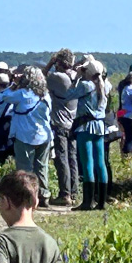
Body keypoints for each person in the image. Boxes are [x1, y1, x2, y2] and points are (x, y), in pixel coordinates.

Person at [0, 66, 54, 208]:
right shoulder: (46, 95)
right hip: (44, 135)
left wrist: (14, 83)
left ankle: (26, 196)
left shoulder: (22, 93)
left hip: (25, 135)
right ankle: (43, 195)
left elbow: (4, 96)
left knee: (24, 169)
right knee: (42, 167)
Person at [66, 58, 110, 211]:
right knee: (101, 163)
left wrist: (77, 77)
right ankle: (102, 202)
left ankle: (87, 202)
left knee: (87, 164)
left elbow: (68, 95)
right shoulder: (106, 85)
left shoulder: (85, 85)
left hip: (85, 127)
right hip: (100, 126)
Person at [44, 49, 80, 207]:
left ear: (59, 63)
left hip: (60, 123)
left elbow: (40, 78)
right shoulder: (76, 77)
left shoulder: (58, 77)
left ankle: (64, 194)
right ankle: (74, 192)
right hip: (74, 122)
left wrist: (50, 64)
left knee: (62, 159)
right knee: (73, 158)